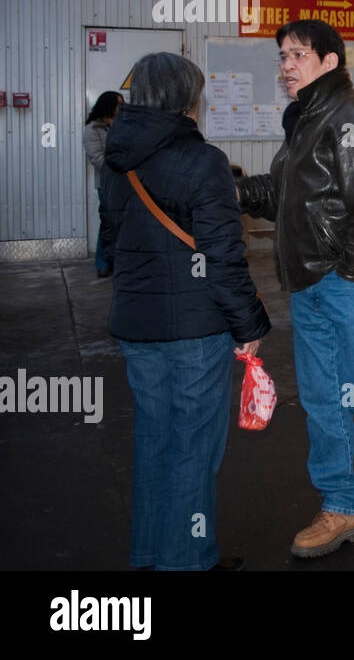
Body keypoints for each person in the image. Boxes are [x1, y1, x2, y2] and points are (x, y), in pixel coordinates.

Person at [237, 19, 354, 558]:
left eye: (297, 54)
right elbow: (285, 194)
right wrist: (233, 192)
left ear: (329, 62)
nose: (286, 65)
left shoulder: (352, 121)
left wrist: (350, 271)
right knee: (322, 398)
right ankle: (342, 503)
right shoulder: (305, 121)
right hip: (307, 282)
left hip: (347, 283)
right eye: (282, 57)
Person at [99, 53, 268, 571]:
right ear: (187, 99)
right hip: (196, 329)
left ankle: (150, 553)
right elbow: (223, 254)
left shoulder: (115, 156)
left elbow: (109, 241)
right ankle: (186, 560)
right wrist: (248, 326)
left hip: (136, 324)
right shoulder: (202, 160)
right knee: (193, 450)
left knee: (154, 441)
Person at [84, 90, 123, 277]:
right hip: (107, 183)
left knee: (121, 224)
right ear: (108, 106)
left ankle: (117, 261)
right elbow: (96, 157)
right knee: (107, 224)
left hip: (124, 181)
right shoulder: (92, 129)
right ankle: (102, 263)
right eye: (119, 104)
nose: (121, 108)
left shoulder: (120, 125)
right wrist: (117, 169)